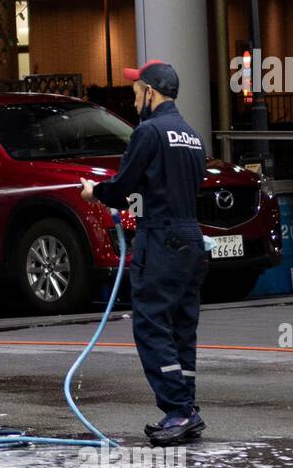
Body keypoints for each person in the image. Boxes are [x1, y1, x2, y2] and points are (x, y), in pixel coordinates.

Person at [79, 60, 209, 446]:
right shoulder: (191, 135)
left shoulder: (149, 132)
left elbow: (122, 188)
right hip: (191, 237)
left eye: (137, 90)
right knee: (182, 325)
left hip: (162, 237)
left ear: (150, 92)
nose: (134, 97)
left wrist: (95, 193)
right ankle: (186, 405)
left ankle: (178, 410)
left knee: (151, 324)